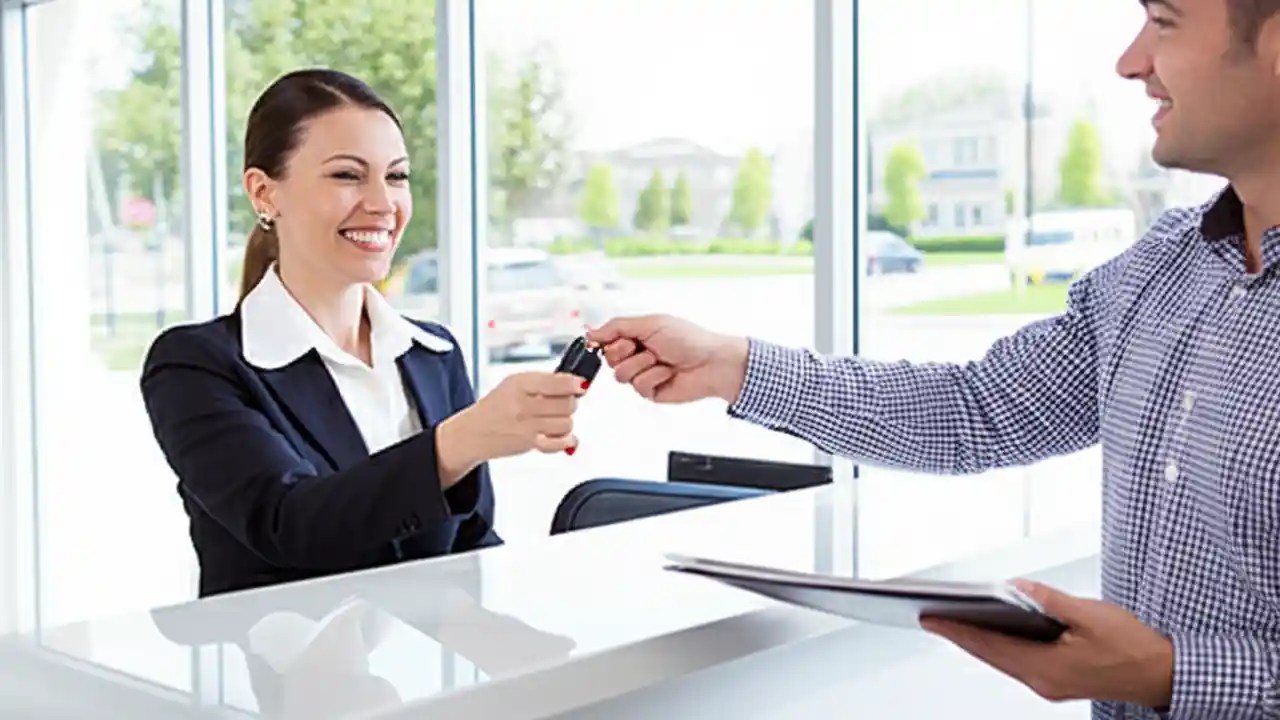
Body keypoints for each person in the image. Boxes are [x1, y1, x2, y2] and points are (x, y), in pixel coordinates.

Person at [588, 1, 1280, 717]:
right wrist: (733, 366)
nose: (1131, 62)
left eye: (1164, 22)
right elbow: (977, 410)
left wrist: (1169, 673)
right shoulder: (1159, 271)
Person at [140, 68, 586, 598]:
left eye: (396, 177)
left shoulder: (432, 354)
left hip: (437, 678)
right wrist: (463, 441)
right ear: (264, 193)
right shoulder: (197, 365)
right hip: (276, 680)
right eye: (348, 176)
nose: (382, 203)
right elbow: (290, 525)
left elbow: (469, 548)